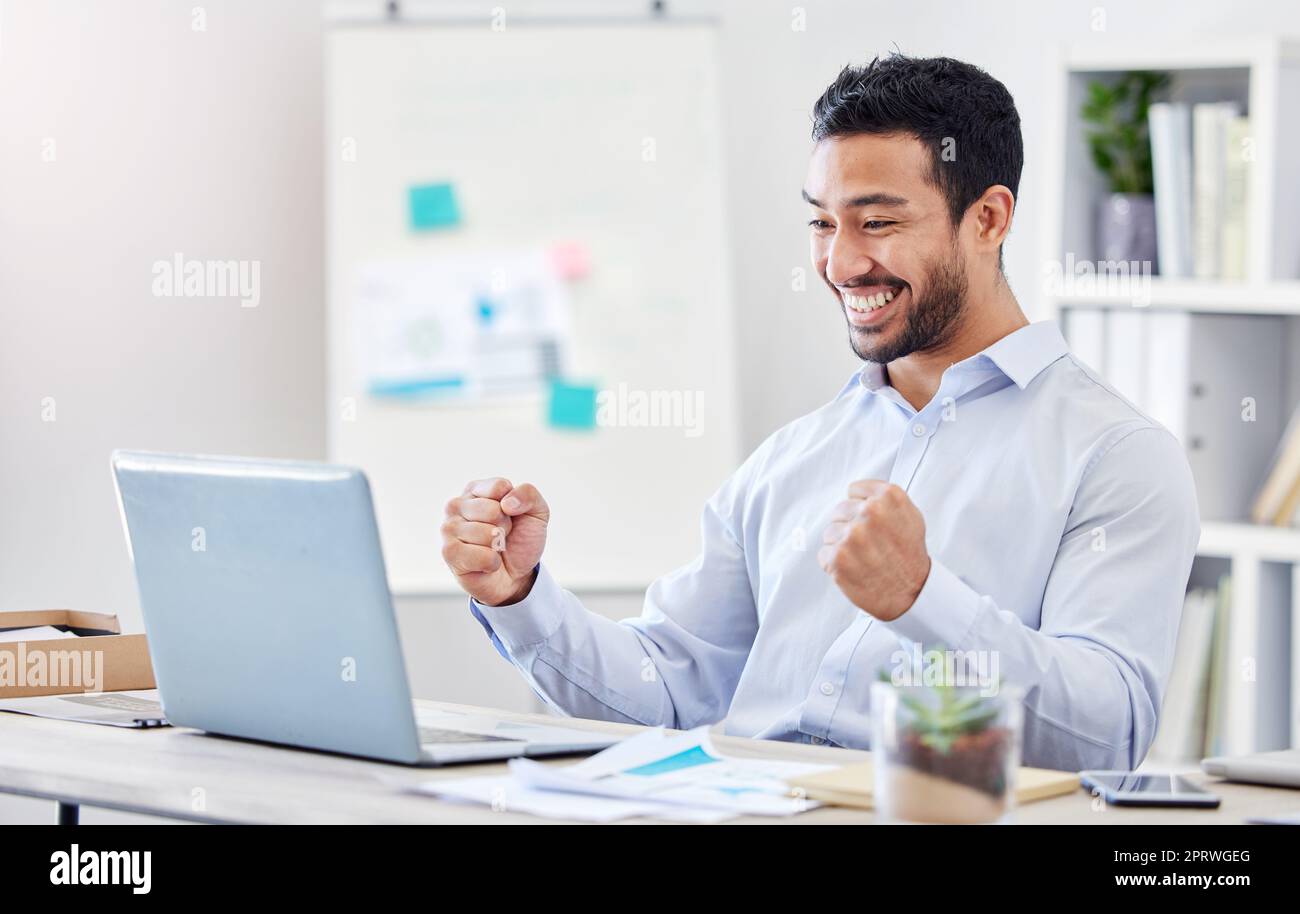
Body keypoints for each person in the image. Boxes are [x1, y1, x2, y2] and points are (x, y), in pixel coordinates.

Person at [439, 54, 1199, 772]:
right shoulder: (793, 456)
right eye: (821, 223)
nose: (838, 264)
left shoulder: (1116, 456)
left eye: (877, 222)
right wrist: (520, 596)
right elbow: (668, 691)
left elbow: (1107, 736)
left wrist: (922, 599)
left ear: (989, 220)